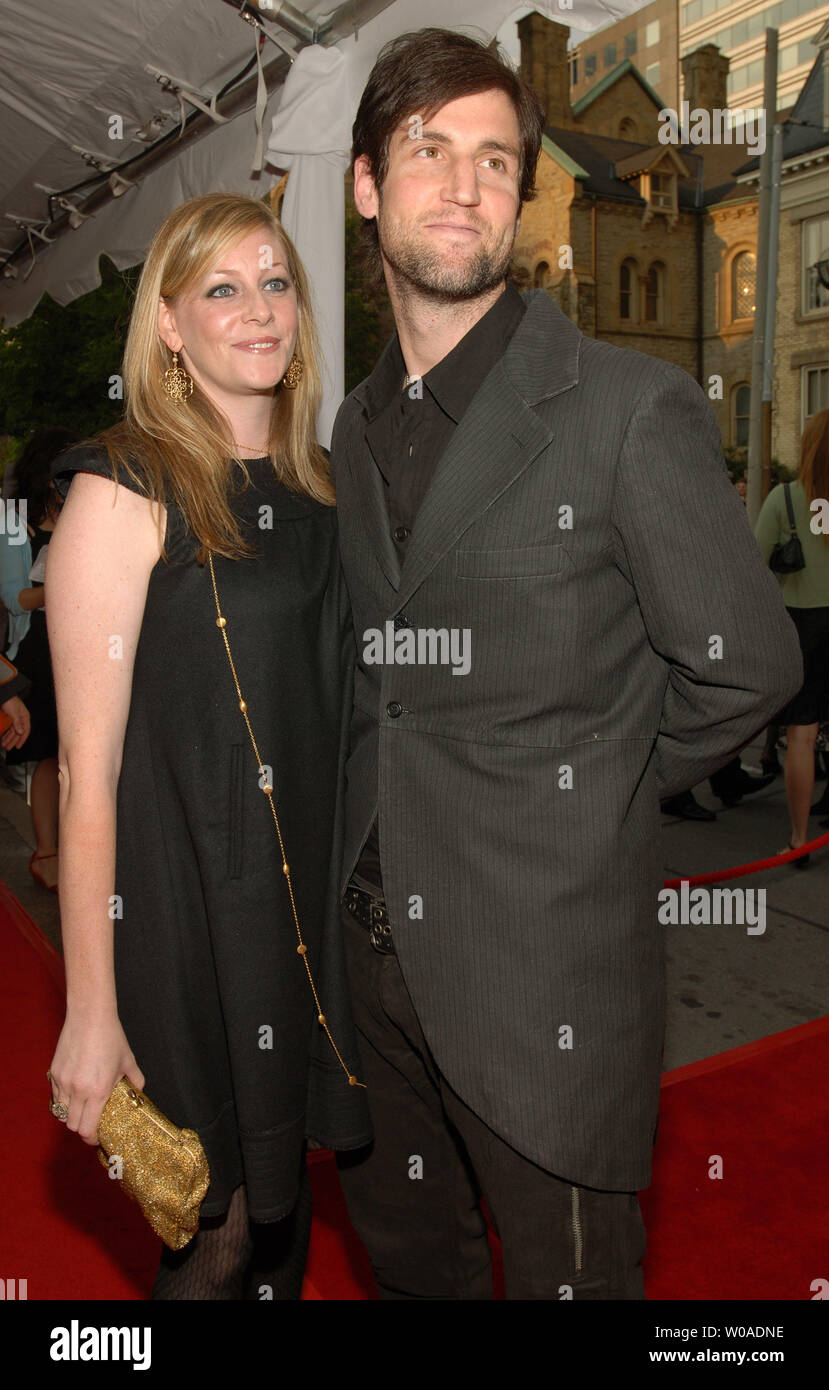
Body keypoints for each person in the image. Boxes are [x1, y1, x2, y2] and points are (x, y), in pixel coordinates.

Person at [330, 27, 804, 1300]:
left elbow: (746, 667)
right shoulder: (354, 422)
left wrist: (586, 786)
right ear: (368, 185)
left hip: (540, 972)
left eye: (497, 160)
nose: (467, 187)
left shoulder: (622, 408)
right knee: (412, 1272)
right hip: (369, 967)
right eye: (429, 152)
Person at [45, 192, 370, 1300]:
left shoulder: (326, 489)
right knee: (214, 1226)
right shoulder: (124, 483)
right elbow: (85, 773)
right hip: (182, 916)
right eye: (221, 288)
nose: (260, 308)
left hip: (301, 909)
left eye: (275, 282)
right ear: (169, 325)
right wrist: (91, 1010)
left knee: (284, 1218)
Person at [754, 408, 829, 865]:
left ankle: (799, 839)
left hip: (803, 624)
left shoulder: (785, 498)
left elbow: (753, 562)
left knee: (801, 737)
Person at [0, 427, 78, 889]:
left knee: (75, 756)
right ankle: (47, 851)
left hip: (78, 648)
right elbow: (13, 600)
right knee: (48, 755)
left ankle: (74, 850)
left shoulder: (81, 515)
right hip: (34, 653)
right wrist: (62, 589)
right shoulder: (12, 520)